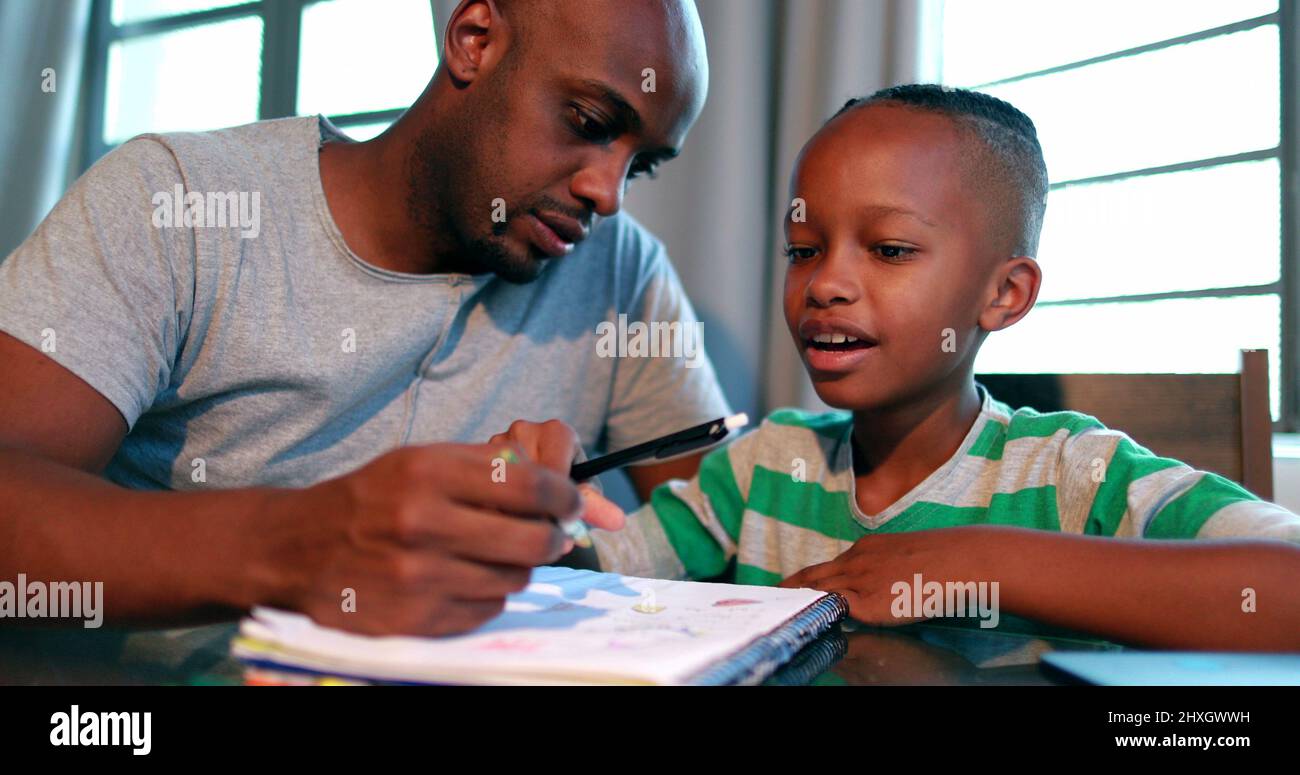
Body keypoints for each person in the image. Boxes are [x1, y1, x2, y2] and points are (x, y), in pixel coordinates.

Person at [0, 0, 727, 636]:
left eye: (642, 166)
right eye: (590, 121)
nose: (609, 194)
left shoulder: (619, 274)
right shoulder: (180, 204)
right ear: (474, 40)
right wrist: (303, 542)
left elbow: (732, 517)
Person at [545, 84, 1300, 650]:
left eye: (890, 249)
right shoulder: (761, 469)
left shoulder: (1078, 479)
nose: (826, 283)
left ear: (1004, 294)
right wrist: (543, 512)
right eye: (804, 249)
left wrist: (979, 560)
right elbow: (596, 581)